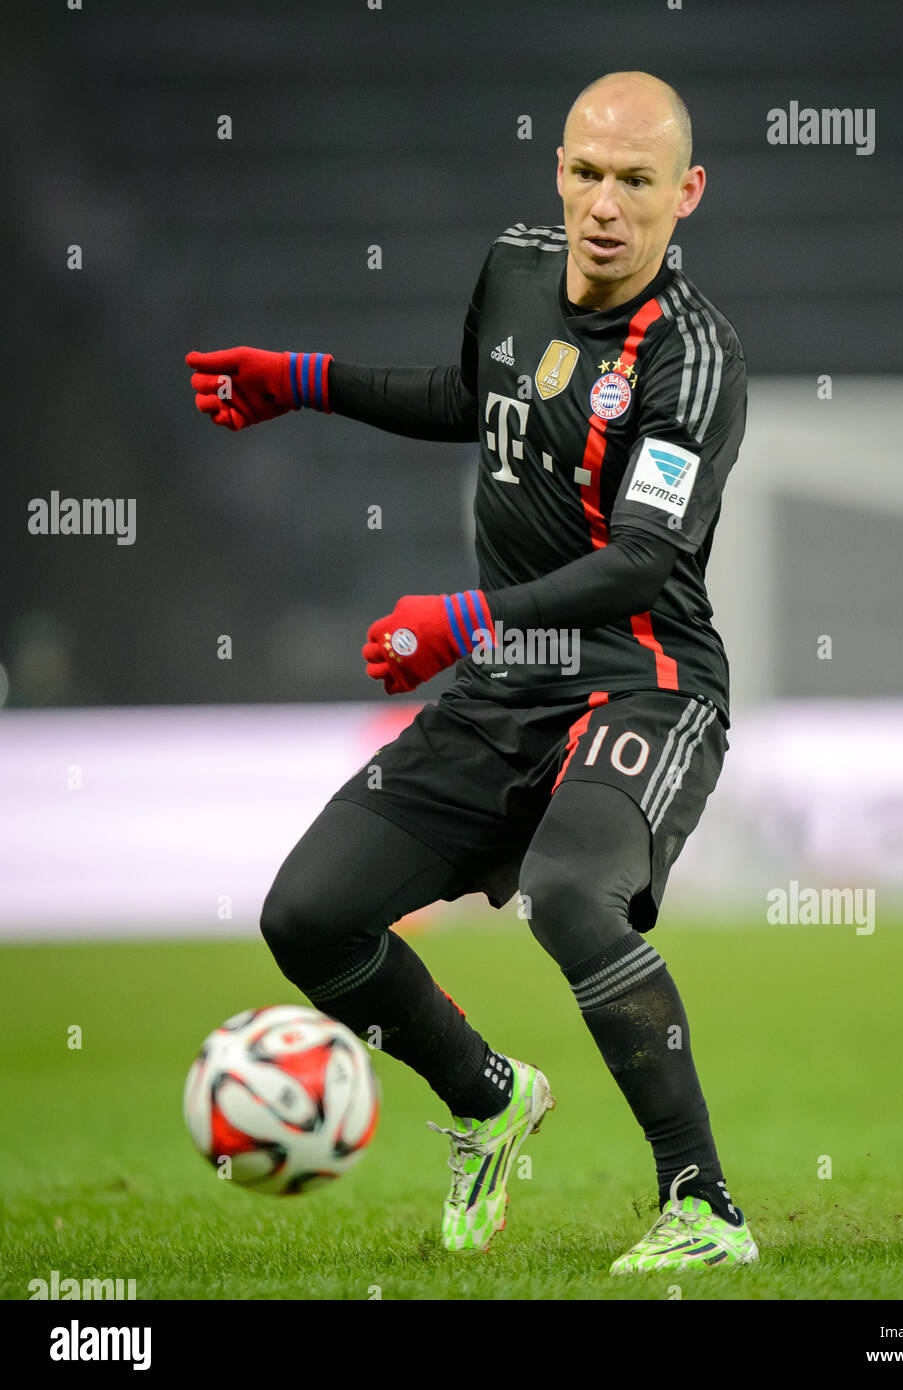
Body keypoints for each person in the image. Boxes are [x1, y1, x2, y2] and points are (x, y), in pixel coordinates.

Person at [185, 70, 757, 1275]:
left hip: (642, 683)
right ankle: (489, 1098)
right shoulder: (511, 263)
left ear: (685, 194)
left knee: (569, 892)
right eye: (588, 174)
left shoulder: (691, 360)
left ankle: (704, 1206)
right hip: (505, 688)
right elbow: (474, 395)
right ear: (558, 171)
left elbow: (642, 562)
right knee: (310, 917)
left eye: (637, 183)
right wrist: (303, 380)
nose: (607, 205)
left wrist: (462, 615)